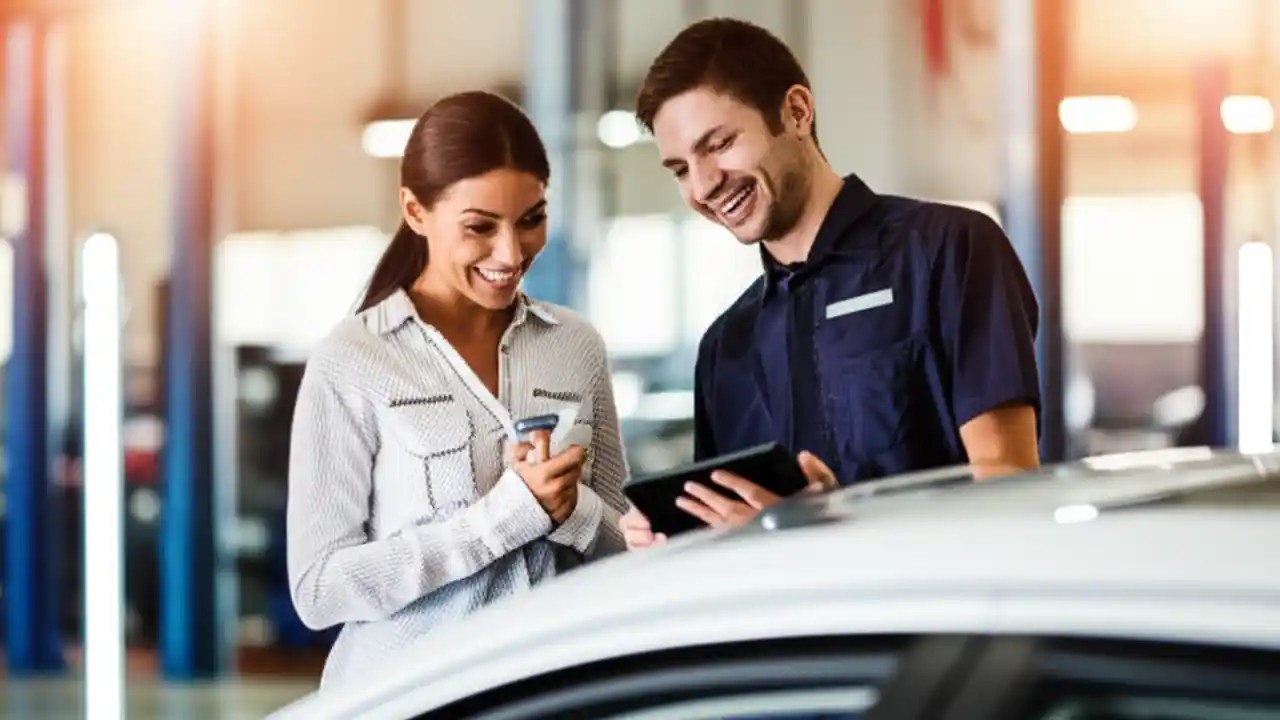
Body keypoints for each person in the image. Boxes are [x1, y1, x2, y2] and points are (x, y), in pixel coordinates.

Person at [621, 18, 1041, 549]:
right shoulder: (725, 346)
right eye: (680, 169)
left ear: (796, 112)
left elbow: (1010, 483)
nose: (704, 185)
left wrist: (835, 528)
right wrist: (672, 538)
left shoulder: (949, 250)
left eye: (721, 143)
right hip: (792, 632)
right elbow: (728, 542)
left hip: (935, 624)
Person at [287, 91, 629, 688]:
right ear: (415, 212)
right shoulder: (354, 360)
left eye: (531, 219)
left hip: (549, 693)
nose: (511, 252)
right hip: (412, 698)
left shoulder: (576, 346)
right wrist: (504, 517)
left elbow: (624, 544)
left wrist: (574, 510)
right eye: (479, 227)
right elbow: (319, 590)